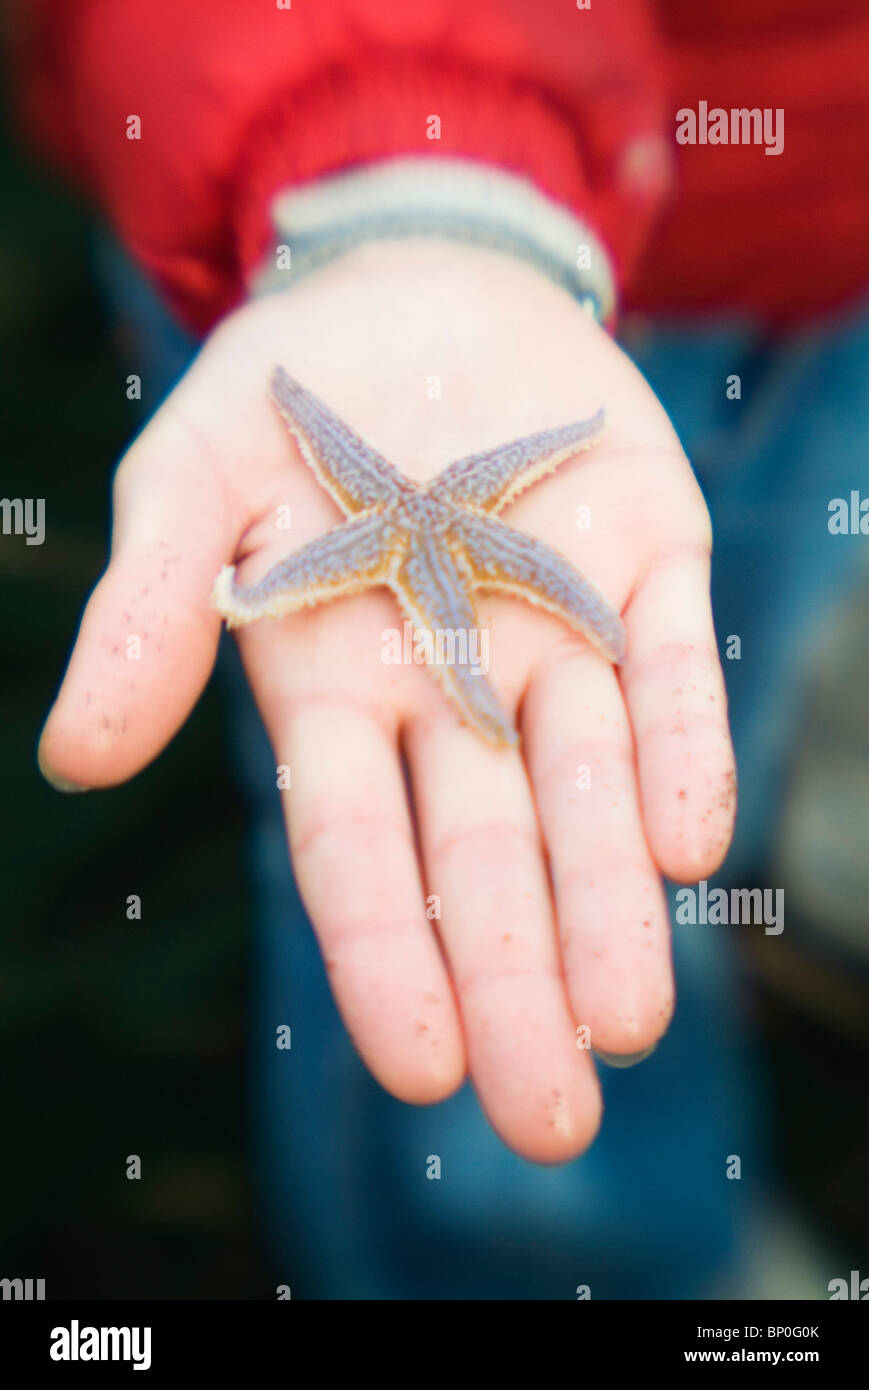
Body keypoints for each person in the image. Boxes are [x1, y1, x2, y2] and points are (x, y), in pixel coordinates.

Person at [18, 0, 868, 1297]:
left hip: (828, 234)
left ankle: (775, 760)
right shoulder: (401, 495)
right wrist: (403, 202)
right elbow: (408, 500)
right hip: (310, 197)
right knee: (486, 829)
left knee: (732, 606)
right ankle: (522, 1251)